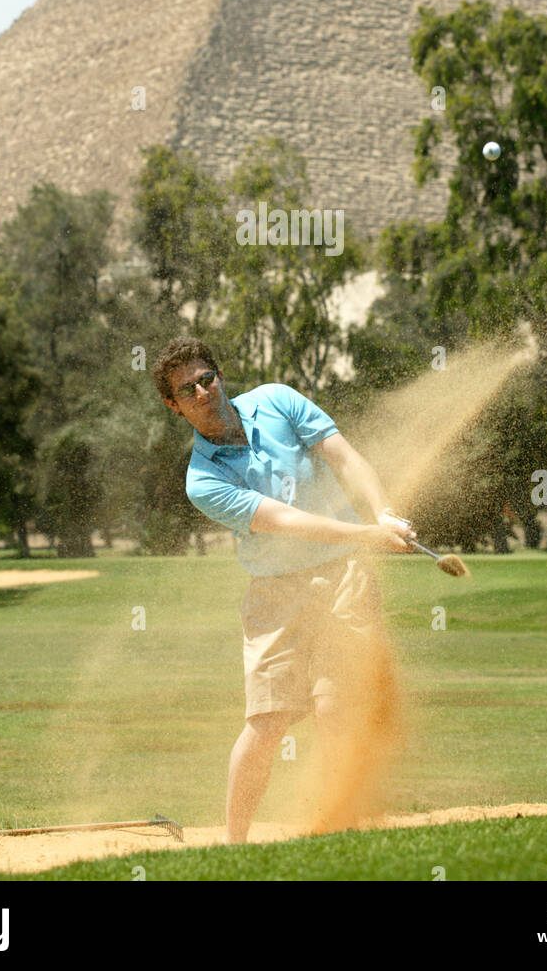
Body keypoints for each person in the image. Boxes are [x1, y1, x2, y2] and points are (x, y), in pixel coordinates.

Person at [152, 335, 416, 844]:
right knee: (266, 721)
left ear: (220, 377)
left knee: (336, 710)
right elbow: (289, 522)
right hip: (274, 596)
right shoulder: (202, 479)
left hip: (345, 577)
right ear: (173, 404)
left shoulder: (278, 399)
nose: (202, 392)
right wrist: (369, 534)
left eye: (207, 379)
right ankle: (235, 847)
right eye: (188, 390)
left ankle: (341, 829)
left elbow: (345, 459)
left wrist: (382, 510)